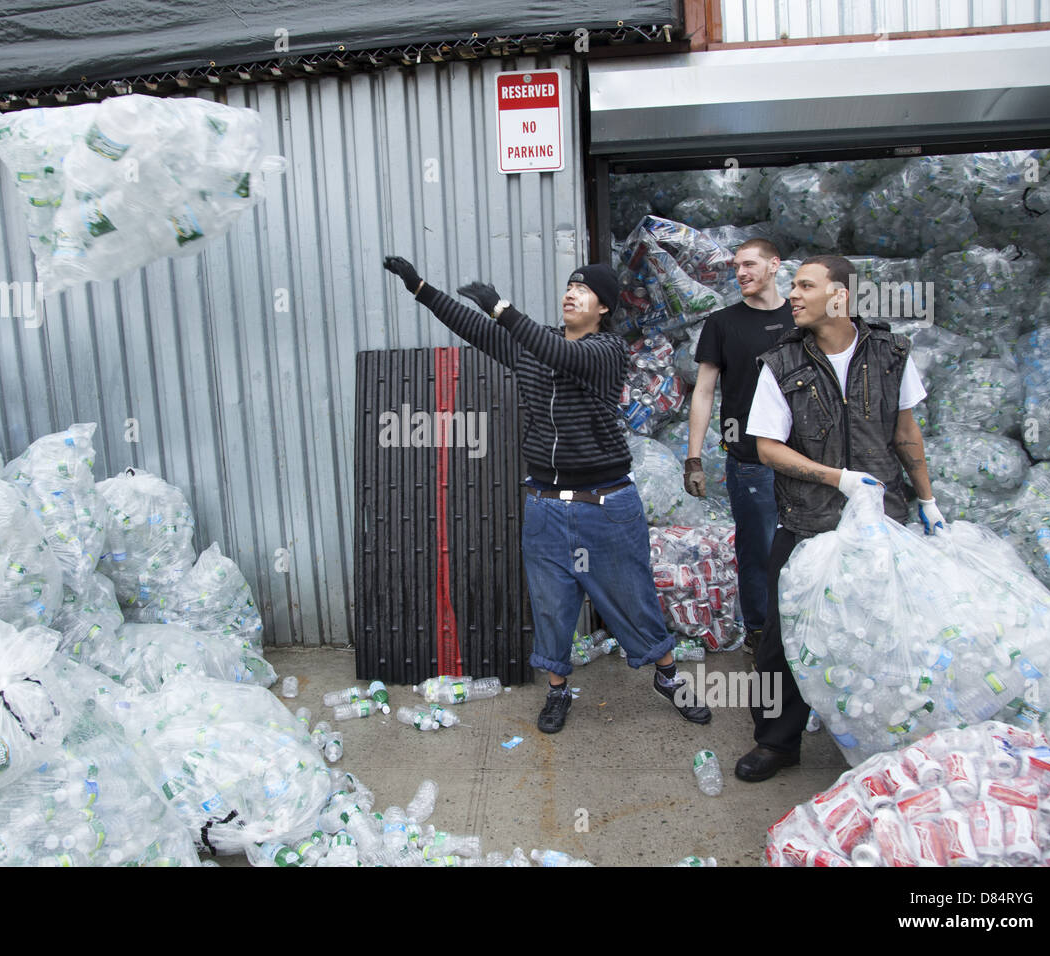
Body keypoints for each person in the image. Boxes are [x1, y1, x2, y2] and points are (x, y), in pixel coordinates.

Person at [382, 254, 711, 733]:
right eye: (569, 286)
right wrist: (420, 286)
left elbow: (562, 356)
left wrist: (503, 308)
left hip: (607, 508)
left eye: (585, 289)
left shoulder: (607, 351)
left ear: (604, 308)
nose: (571, 292)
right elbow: (477, 330)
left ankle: (667, 677)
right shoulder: (535, 345)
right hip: (546, 508)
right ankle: (559, 691)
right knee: (552, 606)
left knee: (634, 598)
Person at [734, 254, 945, 782]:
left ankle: (888, 738)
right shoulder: (781, 363)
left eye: (805, 285)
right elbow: (766, 449)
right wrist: (836, 478)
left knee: (886, 633)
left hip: (880, 523)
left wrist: (928, 500)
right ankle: (776, 743)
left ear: (840, 296)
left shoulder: (892, 354)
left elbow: (905, 433)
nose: (794, 296)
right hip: (807, 522)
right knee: (784, 638)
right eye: (793, 286)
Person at [685, 238, 794, 656]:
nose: (741, 272)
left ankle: (803, 632)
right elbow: (704, 391)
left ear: (774, 264)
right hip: (750, 461)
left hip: (804, 459)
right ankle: (760, 635)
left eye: (750, 264)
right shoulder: (722, 322)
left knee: (808, 546)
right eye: (736, 267)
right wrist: (693, 457)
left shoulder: (802, 316)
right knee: (759, 548)